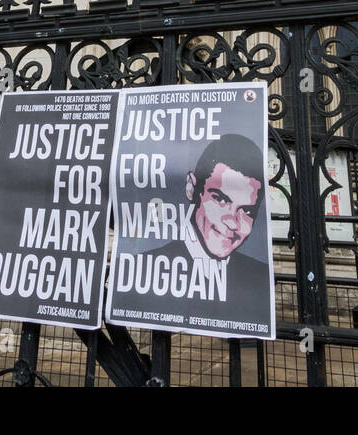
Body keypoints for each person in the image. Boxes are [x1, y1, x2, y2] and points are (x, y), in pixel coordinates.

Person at [111, 134, 270, 319]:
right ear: (191, 189)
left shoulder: (260, 278)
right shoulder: (139, 270)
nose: (233, 222)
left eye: (247, 211)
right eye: (220, 199)